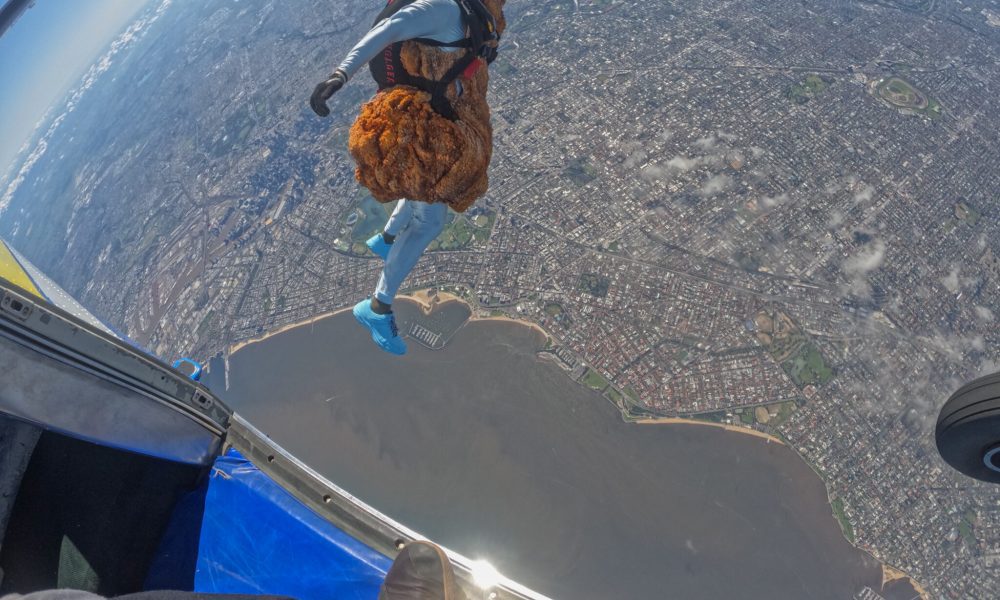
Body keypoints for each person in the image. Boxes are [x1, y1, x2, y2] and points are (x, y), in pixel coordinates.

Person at [309, 0, 499, 356]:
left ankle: (387, 238)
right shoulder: (439, 8)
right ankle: (377, 307)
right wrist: (340, 75)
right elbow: (387, 31)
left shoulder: (462, 6)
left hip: (428, 123)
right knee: (430, 220)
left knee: (419, 191)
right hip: (418, 131)